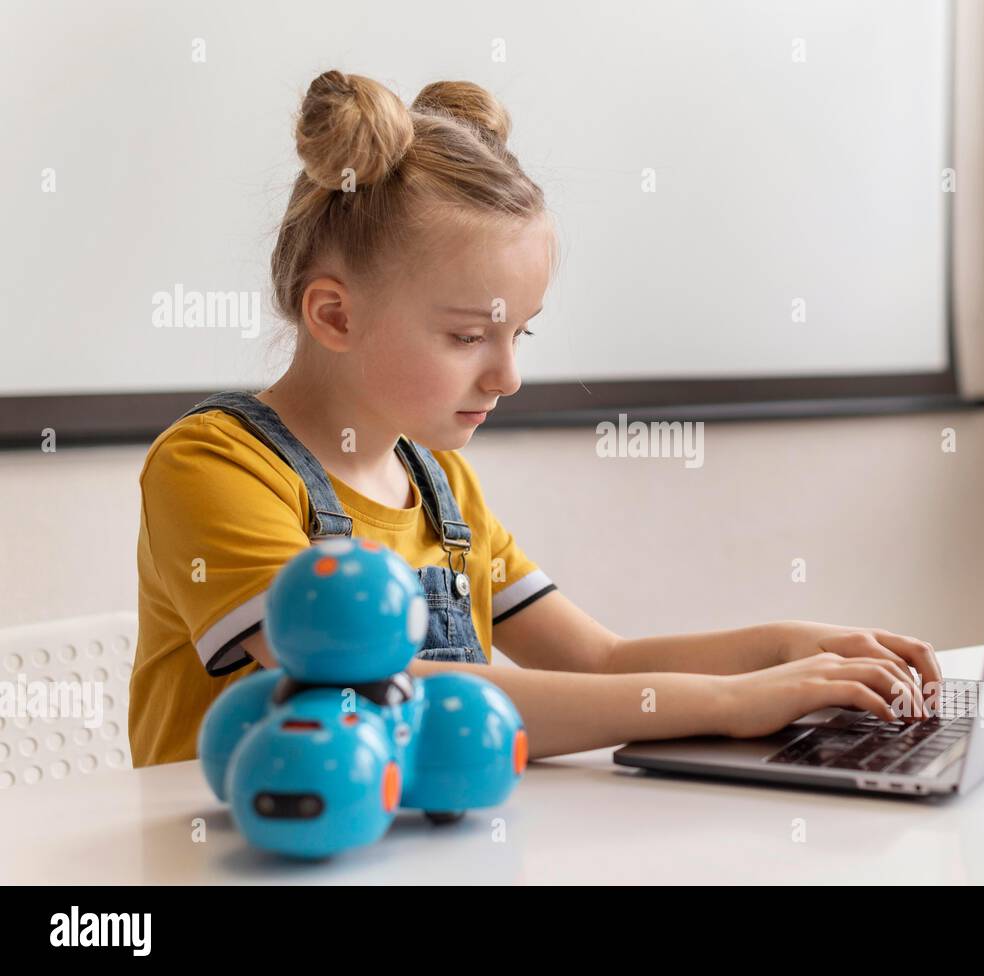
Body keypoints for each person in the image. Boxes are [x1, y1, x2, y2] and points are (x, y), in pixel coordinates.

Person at [129, 70, 941, 767]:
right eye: (468, 336)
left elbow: (599, 659)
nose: (508, 374)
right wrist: (727, 702)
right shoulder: (211, 467)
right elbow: (375, 689)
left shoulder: (440, 485)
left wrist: (788, 648)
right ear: (335, 316)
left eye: (520, 333)